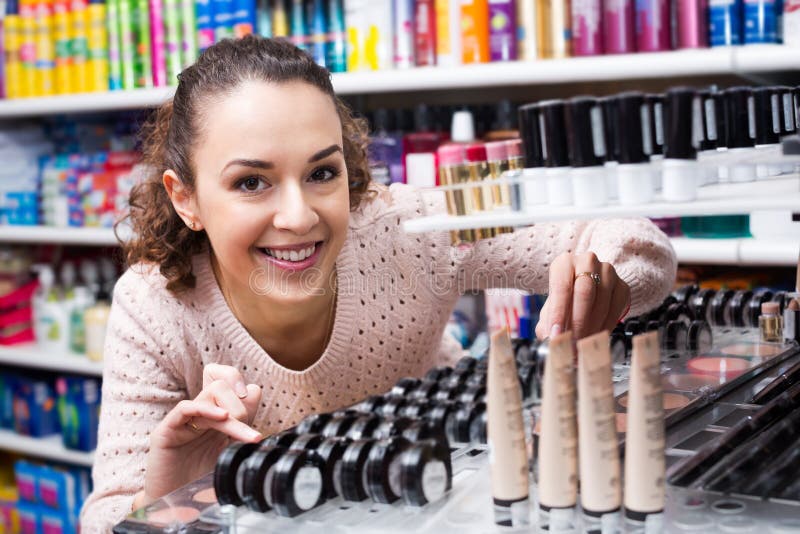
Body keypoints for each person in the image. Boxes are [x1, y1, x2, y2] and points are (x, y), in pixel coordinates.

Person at [80, 35, 676, 532]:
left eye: (322, 172)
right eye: (251, 183)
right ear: (185, 198)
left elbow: (634, 241)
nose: (298, 217)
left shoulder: (408, 228)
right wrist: (168, 497)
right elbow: (106, 519)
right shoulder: (153, 307)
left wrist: (607, 282)